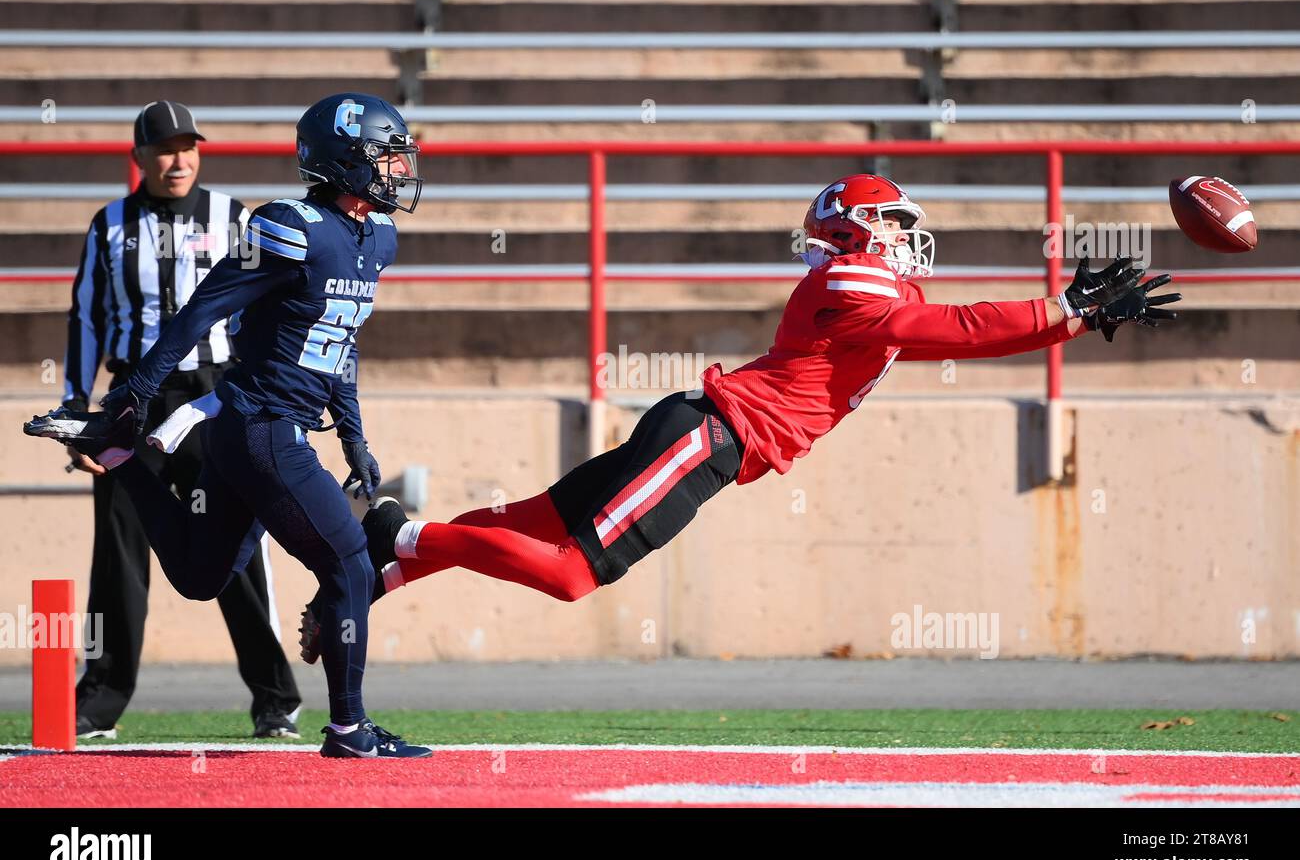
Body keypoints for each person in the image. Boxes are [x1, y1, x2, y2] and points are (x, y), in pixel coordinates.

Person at [302, 174, 1181, 636]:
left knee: (538, 519)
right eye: (900, 226)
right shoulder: (851, 277)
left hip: (703, 430)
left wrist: (1065, 317)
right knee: (571, 574)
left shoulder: (854, 279)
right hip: (710, 437)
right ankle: (396, 531)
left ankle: (391, 568)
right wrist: (1065, 311)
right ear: (864, 233)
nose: (914, 241)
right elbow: (949, 327)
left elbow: (940, 324)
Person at [27, 92, 429, 759]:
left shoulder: (376, 237)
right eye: (385, 156)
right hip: (266, 427)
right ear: (344, 161)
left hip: (255, 428)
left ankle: (122, 460)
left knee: (199, 574)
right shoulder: (289, 226)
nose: (398, 169)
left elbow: (341, 344)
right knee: (352, 565)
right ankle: (350, 729)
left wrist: (354, 432)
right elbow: (200, 310)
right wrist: (134, 390)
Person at [63, 100, 300, 740]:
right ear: (138, 156)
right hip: (132, 398)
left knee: (238, 543)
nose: (179, 160)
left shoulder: (235, 218)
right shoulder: (109, 225)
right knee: (117, 547)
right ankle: (100, 698)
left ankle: (275, 698)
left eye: (188, 146)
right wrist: (74, 404)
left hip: (216, 393)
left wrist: (264, 384)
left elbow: (272, 301)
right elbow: (85, 317)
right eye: (165, 148)